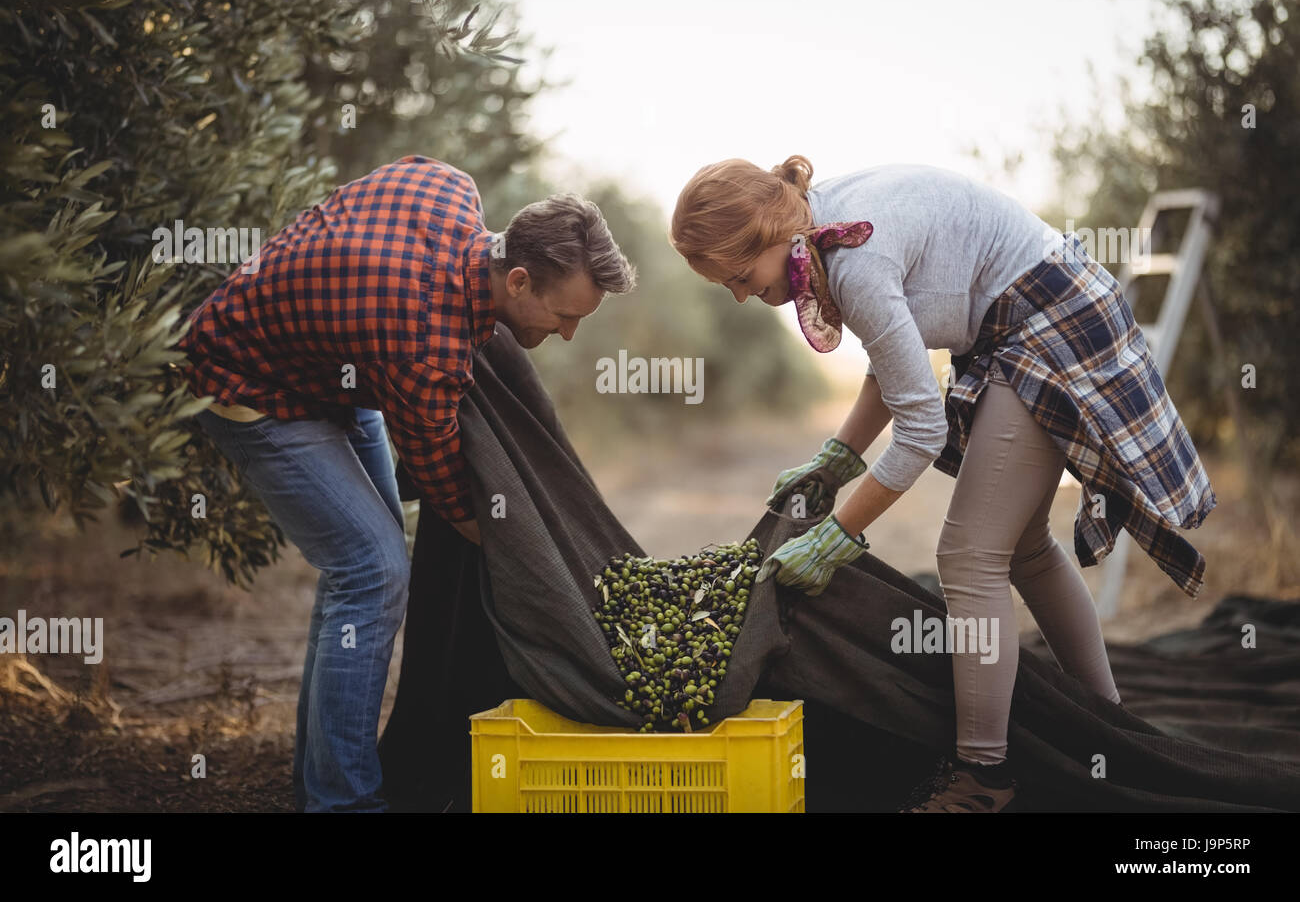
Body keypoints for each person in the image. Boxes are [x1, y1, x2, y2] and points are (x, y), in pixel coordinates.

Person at [669, 155, 1216, 812]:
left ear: (771, 232)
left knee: (969, 555)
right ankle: (1107, 722)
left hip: (1050, 322)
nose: (737, 295)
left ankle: (984, 779)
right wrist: (837, 459)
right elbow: (890, 361)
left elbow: (921, 428)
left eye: (737, 276)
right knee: (1023, 548)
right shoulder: (810, 214)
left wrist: (839, 535)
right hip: (1029, 315)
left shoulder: (853, 261)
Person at [179, 155, 635, 811]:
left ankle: (318, 782)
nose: (565, 334)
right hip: (249, 386)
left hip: (337, 372)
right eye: (564, 317)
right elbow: (453, 500)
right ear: (516, 279)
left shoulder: (449, 184)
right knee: (372, 571)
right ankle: (343, 803)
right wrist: (530, 566)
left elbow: (396, 181)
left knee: (357, 573)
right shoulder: (425, 344)